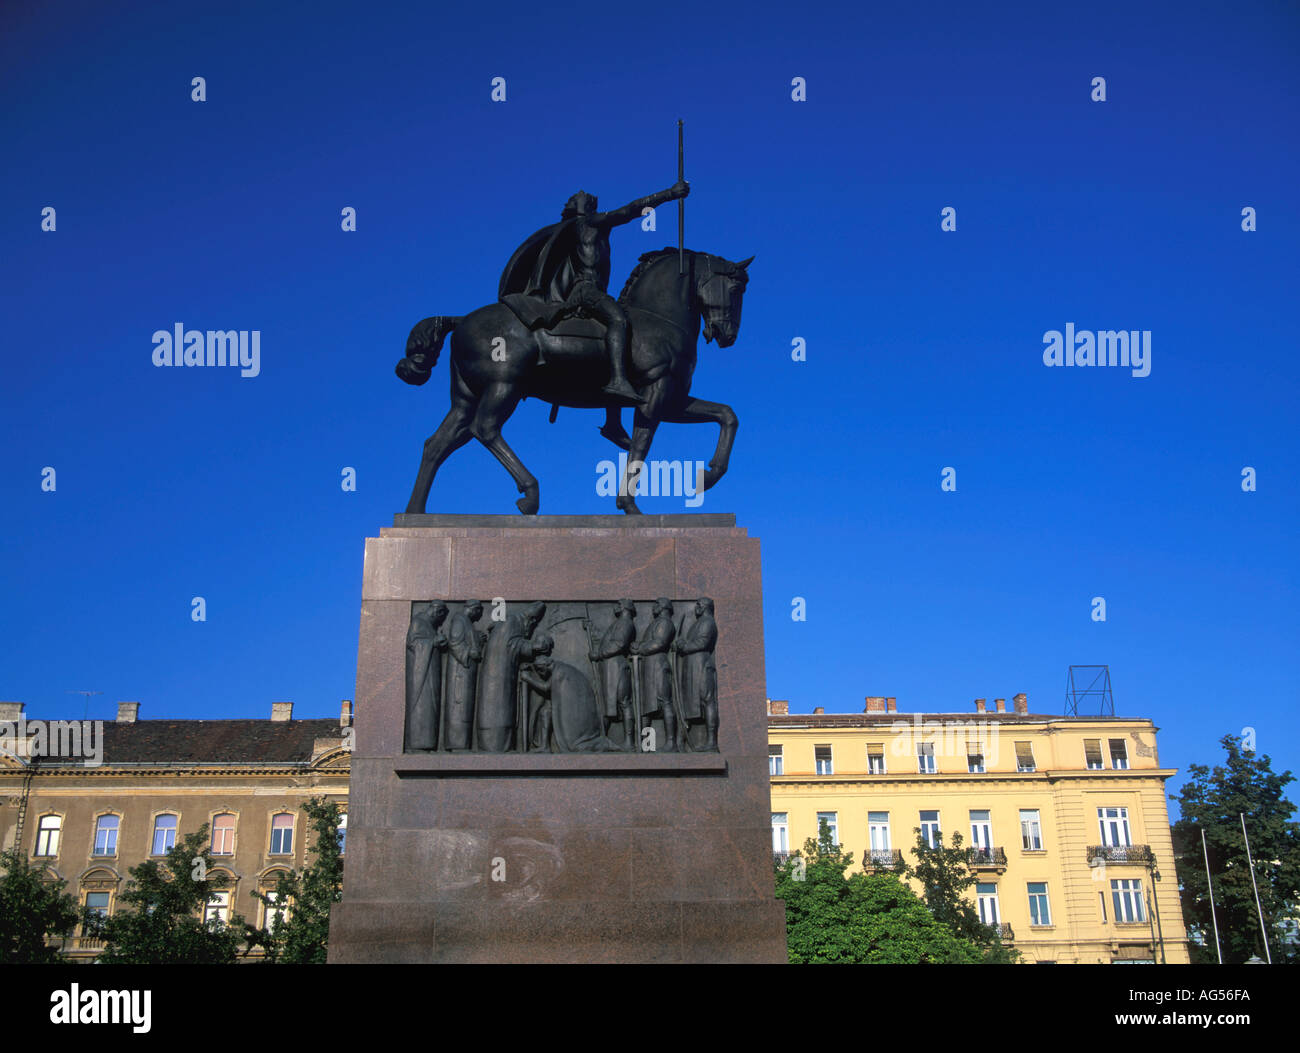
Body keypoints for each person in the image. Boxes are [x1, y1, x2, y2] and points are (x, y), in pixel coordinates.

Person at [498, 181, 690, 405]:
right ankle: (618, 380)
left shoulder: (571, 228)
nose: (591, 202)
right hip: (587, 289)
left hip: (586, 289)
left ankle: (613, 418)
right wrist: (669, 194)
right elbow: (629, 210)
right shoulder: (589, 222)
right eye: (588, 201)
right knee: (618, 320)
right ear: (586, 208)